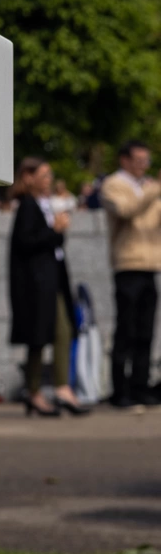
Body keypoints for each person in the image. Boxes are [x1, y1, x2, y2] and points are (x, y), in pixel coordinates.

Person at [9, 157, 88, 417]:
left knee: (55, 333)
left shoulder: (40, 205)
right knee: (43, 335)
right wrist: (55, 230)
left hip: (51, 281)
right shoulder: (28, 207)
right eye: (43, 176)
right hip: (37, 284)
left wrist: (56, 231)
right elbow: (27, 243)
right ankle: (43, 390)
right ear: (28, 177)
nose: (48, 181)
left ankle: (52, 388)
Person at [100, 139, 161, 408]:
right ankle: (119, 390)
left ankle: (140, 387)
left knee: (146, 333)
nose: (144, 166)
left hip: (150, 266)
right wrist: (155, 189)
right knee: (126, 329)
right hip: (127, 265)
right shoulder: (114, 185)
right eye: (139, 161)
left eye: (147, 161)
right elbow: (126, 210)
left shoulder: (149, 188)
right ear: (124, 160)